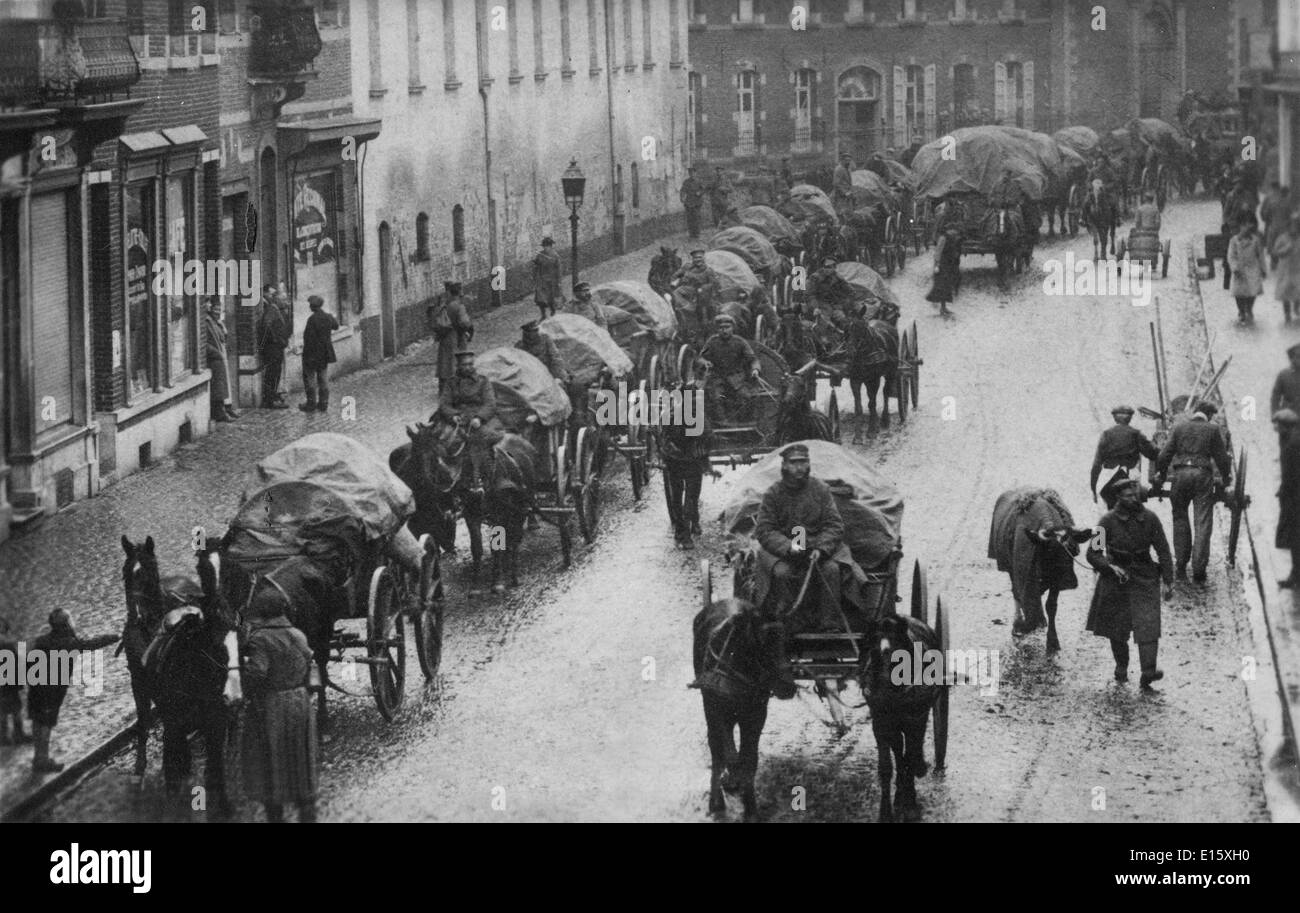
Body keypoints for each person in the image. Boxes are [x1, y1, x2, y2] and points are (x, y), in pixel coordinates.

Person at [754, 445, 863, 692]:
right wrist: (788, 548)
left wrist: (821, 548)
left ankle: (830, 626)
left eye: (803, 462)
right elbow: (764, 529)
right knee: (781, 574)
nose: (799, 467)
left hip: (817, 550)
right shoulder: (773, 494)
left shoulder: (820, 490)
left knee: (833, 570)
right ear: (784, 466)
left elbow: (834, 524)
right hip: (787, 552)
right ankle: (788, 623)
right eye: (793, 462)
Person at [239, 579, 319, 823]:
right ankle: (307, 813)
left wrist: (242, 681)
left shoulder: (260, 639)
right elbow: (308, 662)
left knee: (271, 763)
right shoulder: (298, 634)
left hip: (272, 706)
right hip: (300, 702)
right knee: (301, 758)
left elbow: (258, 673)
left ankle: (276, 815)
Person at [1085, 477, 1174, 688]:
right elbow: (1092, 553)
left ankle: (1148, 671)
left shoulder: (1151, 518)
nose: (1134, 499)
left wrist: (1168, 581)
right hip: (1117, 580)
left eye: (1135, 494)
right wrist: (1109, 567)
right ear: (1118, 497)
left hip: (1145, 576)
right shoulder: (1105, 522)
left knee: (1148, 624)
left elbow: (1163, 549)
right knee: (1117, 628)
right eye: (1128, 496)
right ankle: (1121, 666)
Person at [26, 609, 119, 772]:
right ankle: (43, 760)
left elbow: (28, 663)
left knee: (37, 720)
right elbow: (91, 644)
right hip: (52, 691)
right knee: (47, 724)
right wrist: (114, 637)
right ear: (66, 624)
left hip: (36, 688)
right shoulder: (69, 643)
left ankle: (37, 757)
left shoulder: (41, 640)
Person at [1154, 401, 1232, 583]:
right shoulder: (1212, 430)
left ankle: (1180, 563)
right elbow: (1222, 458)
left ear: (1194, 412)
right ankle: (1198, 569)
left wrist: (1162, 474)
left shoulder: (1179, 428)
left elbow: (1164, 454)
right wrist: (1226, 479)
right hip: (1202, 476)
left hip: (1180, 477)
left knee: (1180, 517)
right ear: (1209, 415)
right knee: (1202, 521)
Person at [435, 350, 504, 491]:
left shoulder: (483, 382)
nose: (467, 367)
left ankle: (482, 475)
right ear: (458, 366)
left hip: (479, 420)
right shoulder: (451, 383)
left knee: (482, 439)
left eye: (470, 364)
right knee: (443, 440)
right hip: (458, 420)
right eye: (463, 365)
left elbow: (490, 403)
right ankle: (447, 474)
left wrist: (479, 417)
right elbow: (444, 404)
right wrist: (453, 415)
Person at [659, 380, 714, 548]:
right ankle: (682, 530)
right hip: (675, 459)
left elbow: (708, 437)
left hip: (692, 458)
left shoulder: (699, 417)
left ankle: (689, 526)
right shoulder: (670, 415)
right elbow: (664, 439)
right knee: (679, 494)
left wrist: (701, 454)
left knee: (690, 495)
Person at [1090, 406, 1160, 508]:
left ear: (1114, 418)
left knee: (1112, 513)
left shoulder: (1106, 435)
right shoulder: (1136, 434)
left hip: (1111, 480)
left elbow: (1097, 464)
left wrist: (1093, 488)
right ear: (1130, 418)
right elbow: (1152, 454)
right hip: (1130, 479)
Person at [698, 312, 760, 425]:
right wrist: (705, 362)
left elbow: (753, 359)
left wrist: (755, 370)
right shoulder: (712, 341)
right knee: (716, 398)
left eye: (727, 327)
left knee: (746, 397)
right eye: (721, 328)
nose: (724, 331)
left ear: (733, 328)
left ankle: (744, 422)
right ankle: (723, 424)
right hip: (717, 378)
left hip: (736, 378)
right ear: (717, 329)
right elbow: (701, 357)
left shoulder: (739, 342)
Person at [427, 280, 474, 394]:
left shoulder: (446, 303)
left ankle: (442, 388)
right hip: (456, 337)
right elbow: (464, 323)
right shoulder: (459, 306)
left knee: (444, 363)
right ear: (460, 292)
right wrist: (470, 329)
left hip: (445, 336)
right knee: (457, 362)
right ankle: (456, 390)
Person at [299, 294, 339, 413]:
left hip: (312, 354)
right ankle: (323, 403)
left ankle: (311, 404)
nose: (310, 307)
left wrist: (305, 354)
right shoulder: (328, 317)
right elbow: (336, 326)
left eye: (310, 305)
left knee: (310, 378)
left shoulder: (312, 320)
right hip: (324, 353)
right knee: (323, 378)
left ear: (313, 307)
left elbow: (307, 338)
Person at [1275, 409, 1300, 587]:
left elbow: (1291, 474)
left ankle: (1295, 576)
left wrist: (1284, 491)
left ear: (1286, 426)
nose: (1275, 429)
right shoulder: (1291, 439)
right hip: (1292, 495)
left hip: (1294, 498)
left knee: (1294, 536)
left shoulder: (1292, 444)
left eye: (1278, 425)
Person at [1228, 213, 1267, 324]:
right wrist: (1234, 267)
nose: (1248, 227)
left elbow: (1261, 255)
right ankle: (1241, 311)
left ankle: (1249, 308)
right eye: (1245, 225)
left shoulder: (1255, 240)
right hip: (1239, 270)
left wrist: (1263, 269)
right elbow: (1231, 256)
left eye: (1250, 225)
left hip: (1253, 268)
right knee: (1239, 292)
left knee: (1252, 291)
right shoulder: (1234, 241)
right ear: (1240, 226)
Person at [256, 285, 291, 409]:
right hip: (273, 349)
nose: (285, 302)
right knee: (272, 373)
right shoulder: (272, 309)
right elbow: (266, 326)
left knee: (275, 372)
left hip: (276, 348)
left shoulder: (275, 309)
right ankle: (269, 400)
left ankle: (272, 396)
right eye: (282, 299)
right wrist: (276, 340)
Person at [204, 299, 238, 422]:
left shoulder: (213, 321)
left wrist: (220, 324)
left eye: (209, 302)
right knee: (218, 387)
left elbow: (222, 336)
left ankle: (226, 408)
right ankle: (219, 412)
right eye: (207, 302)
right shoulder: (204, 321)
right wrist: (216, 353)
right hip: (214, 358)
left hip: (219, 356)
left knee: (223, 385)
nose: (209, 305)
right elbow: (203, 343)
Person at [671, 249, 721, 330]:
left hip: (703, 293)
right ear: (692, 259)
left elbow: (714, 283)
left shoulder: (708, 270)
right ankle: (685, 309)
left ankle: (704, 323)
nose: (697, 260)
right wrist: (673, 280)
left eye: (699, 257)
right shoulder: (687, 267)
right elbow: (676, 275)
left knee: (705, 307)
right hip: (690, 289)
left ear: (703, 258)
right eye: (695, 258)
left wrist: (703, 288)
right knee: (676, 292)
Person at [0, 618, 29, 745]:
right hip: (9, 684)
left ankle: (3, 737)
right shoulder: (8, 645)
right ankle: (18, 735)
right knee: (16, 709)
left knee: (2, 712)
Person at [1271, 212, 1300, 323]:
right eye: (1292, 226)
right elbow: (1275, 252)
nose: (1294, 229)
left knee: (1298, 289)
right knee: (1285, 292)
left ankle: (1297, 306)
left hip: (1298, 269)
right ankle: (1287, 313)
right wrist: (1285, 249)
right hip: (1285, 270)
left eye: (1296, 226)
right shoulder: (1282, 238)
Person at [926, 227, 962, 317]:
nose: (955, 233)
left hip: (948, 265)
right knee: (942, 286)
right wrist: (937, 265)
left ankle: (944, 308)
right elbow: (938, 252)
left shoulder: (951, 238)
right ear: (950, 230)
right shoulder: (943, 238)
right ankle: (942, 308)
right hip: (942, 265)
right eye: (954, 231)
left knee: (946, 287)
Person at [532, 237, 564, 320]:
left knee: (550, 299)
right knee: (540, 299)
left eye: (547, 246)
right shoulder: (540, 255)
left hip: (551, 281)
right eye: (544, 246)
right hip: (542, 281)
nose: (545, 248)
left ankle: (553, 311)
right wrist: (536, 265)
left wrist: (559, 281)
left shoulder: (555, 256)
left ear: (551, 246)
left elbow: (559, 269)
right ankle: (543, 315)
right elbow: (536, 267)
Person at [1271, 343, 1300, 415]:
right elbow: (1275, 397)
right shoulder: (1283, 375)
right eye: (1298, 356)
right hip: (1288, 416)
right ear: (1291, 358)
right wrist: (1274, 415)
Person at [680, 166, 705, 239]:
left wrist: (699, 192)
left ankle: (697, 234)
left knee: (696, 218)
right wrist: (682, 197)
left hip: (697, 203)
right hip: (688, 203)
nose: (691, 174)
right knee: (690, 219)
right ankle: (691, 234)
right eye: (690, 173)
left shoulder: (699, 181)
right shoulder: (686, 182)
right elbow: (682, 190)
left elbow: (704, 189)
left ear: (696, 173)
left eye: (693, 173)